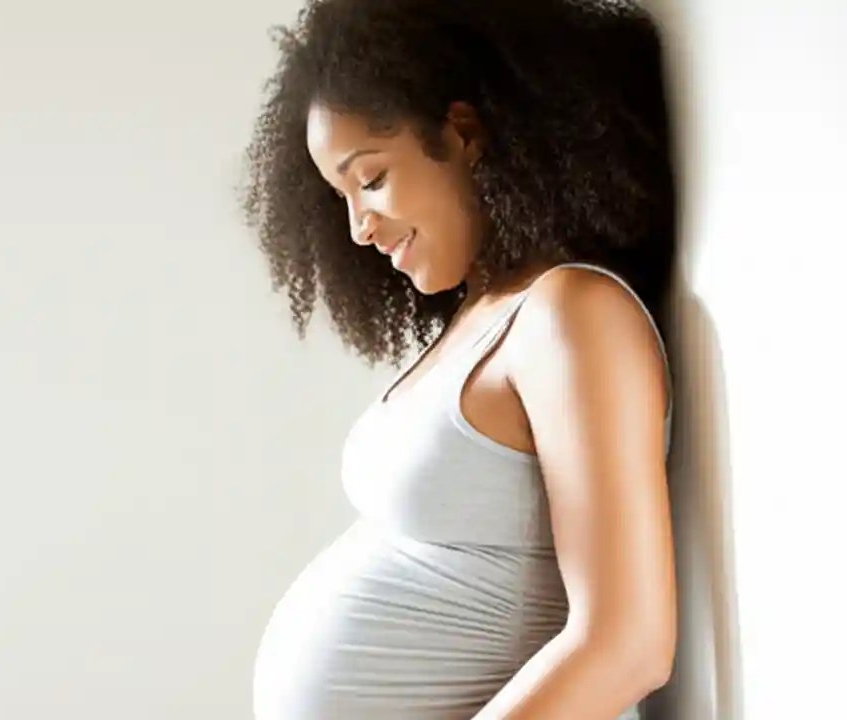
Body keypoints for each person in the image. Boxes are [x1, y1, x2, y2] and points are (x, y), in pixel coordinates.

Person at [239, 0, 678, 718]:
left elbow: (627, 644)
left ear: (464, 133)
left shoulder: (571, 313)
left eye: (371, 178)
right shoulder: (480, 318)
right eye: (341, 195)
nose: (358, 229)